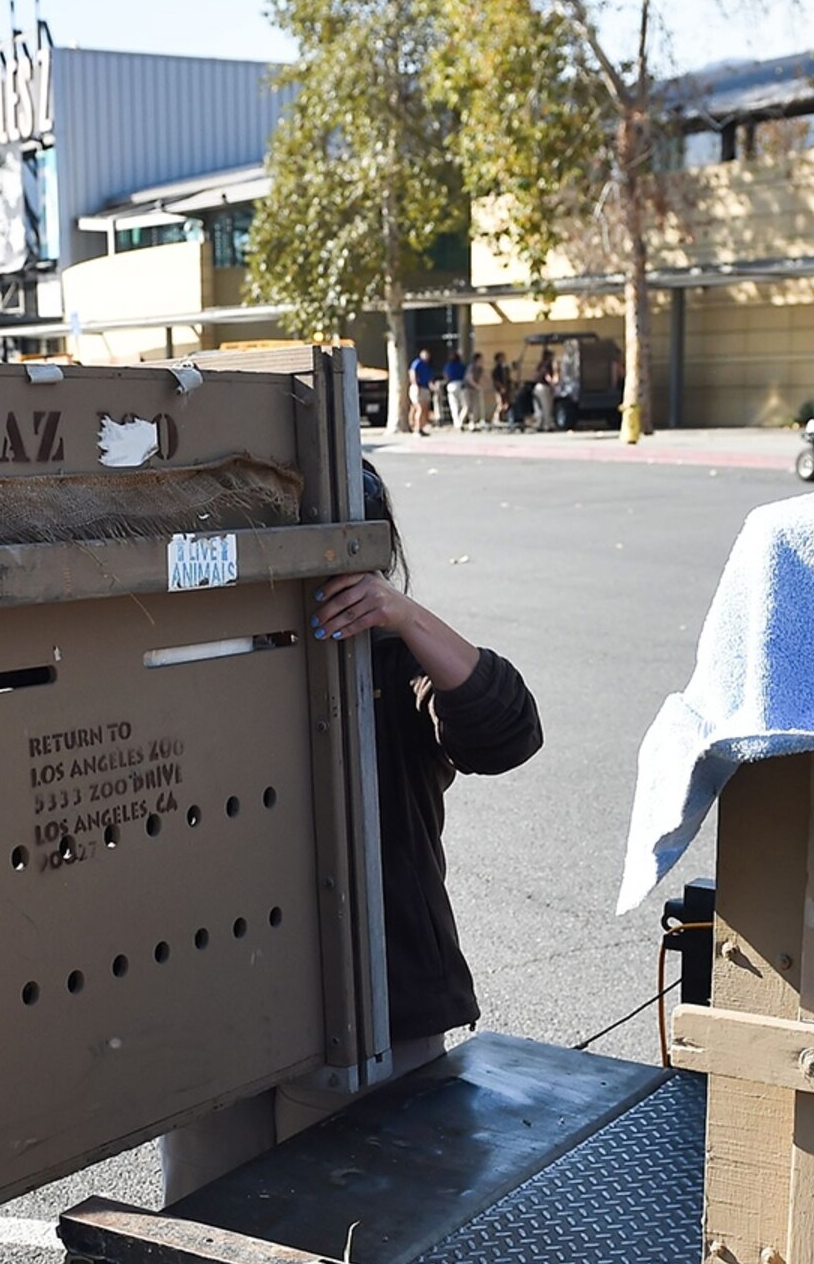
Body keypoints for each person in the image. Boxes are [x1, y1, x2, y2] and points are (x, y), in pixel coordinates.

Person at [158, 459, 542, 1199]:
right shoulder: (199, 656)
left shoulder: (395, 656)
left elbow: (508, 733)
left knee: (353, 1234)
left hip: (377, 994)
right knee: (205, 1222)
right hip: (221, 994)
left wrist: (401, 615)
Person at [406, 343, 439, 435]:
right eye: (425, 354)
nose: (426, 356)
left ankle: (421, 427)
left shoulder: (428, 367)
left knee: (425, 409)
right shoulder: (417, 363)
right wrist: (415, 385)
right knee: (419, 408)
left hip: (425, 388)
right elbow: (413, 373)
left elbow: (430, 380)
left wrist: (433, 388)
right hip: (418, 387)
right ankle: (415, 428)